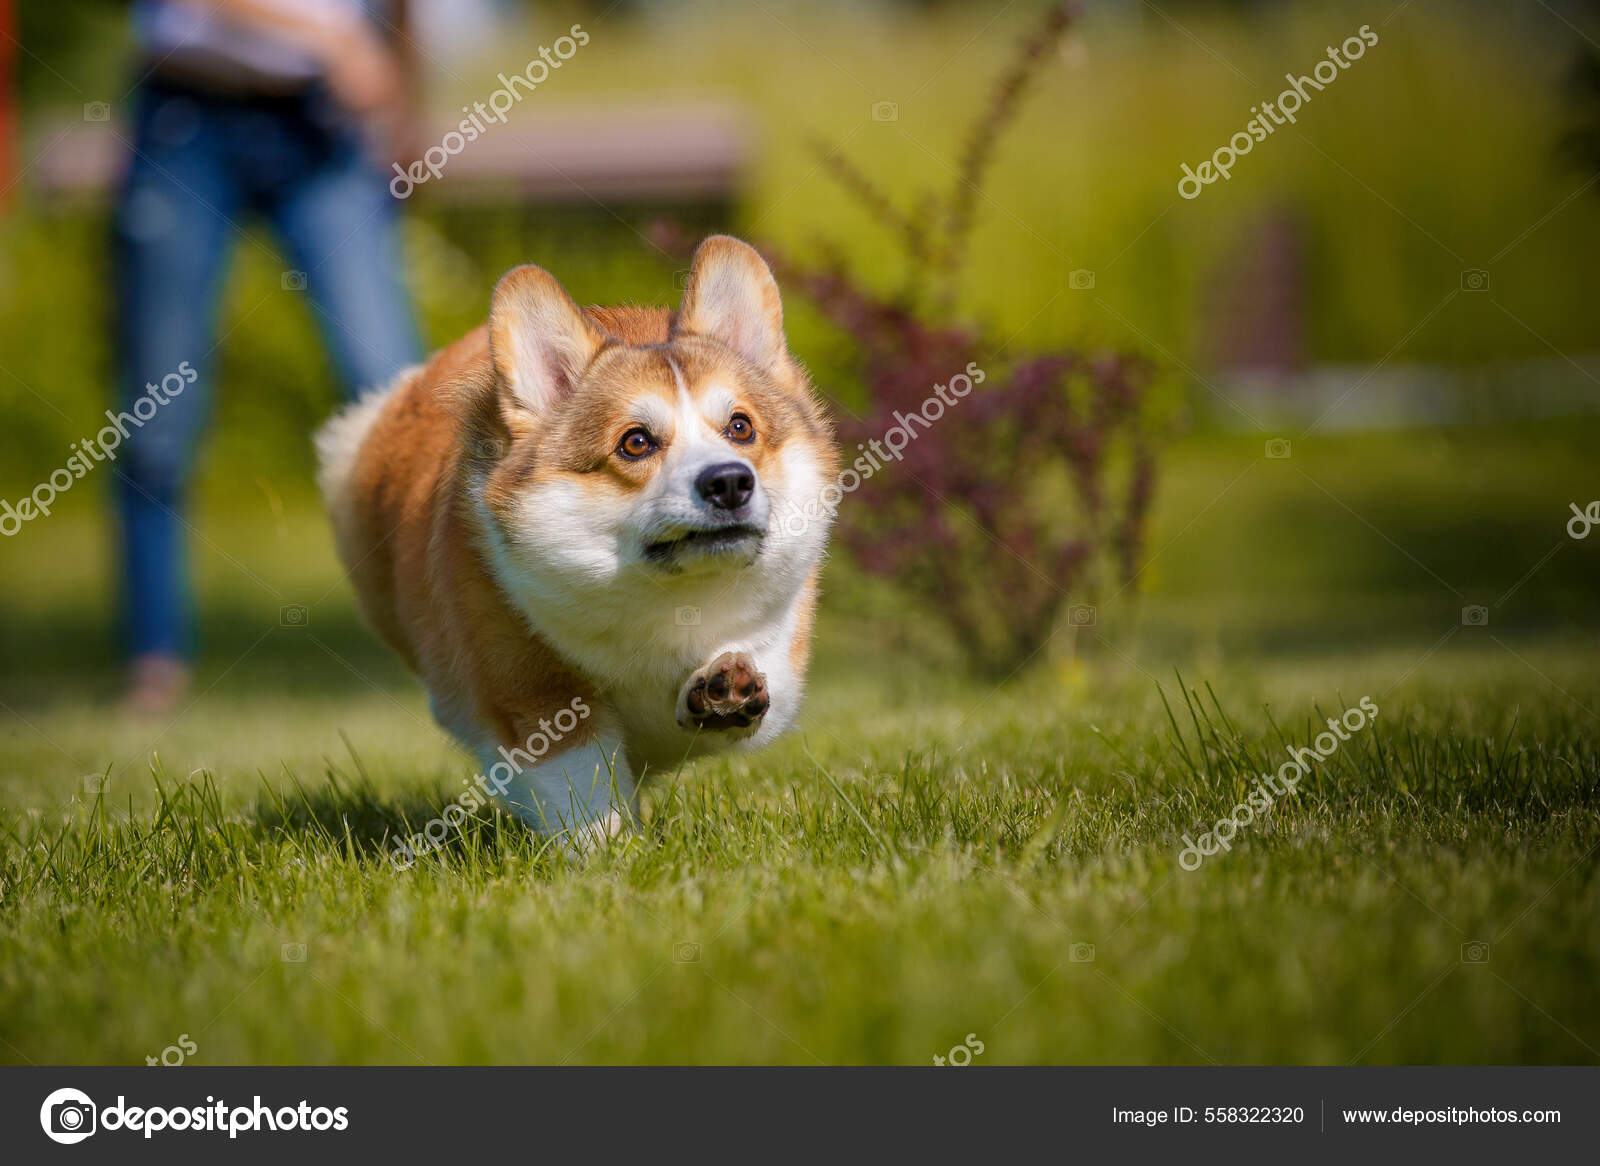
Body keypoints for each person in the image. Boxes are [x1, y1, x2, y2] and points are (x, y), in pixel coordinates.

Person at [113, 0, 424, 713]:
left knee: (397, 390)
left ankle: (446, 633)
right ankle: (154, 659)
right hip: (188, 116)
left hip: (321, 127)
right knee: (160, 409)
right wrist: (326, 34)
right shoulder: (327, 38)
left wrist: (403, 99)